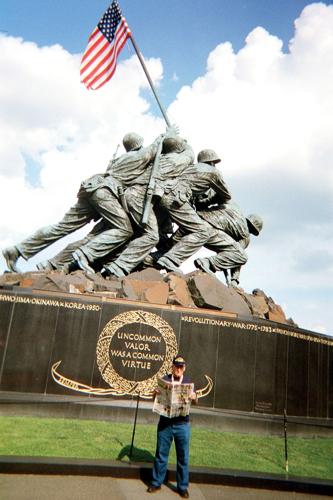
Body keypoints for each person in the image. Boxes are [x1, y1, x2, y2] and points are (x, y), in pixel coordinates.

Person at [148, 355, 197, 498]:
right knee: (161, 454)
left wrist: (194, 397)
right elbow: (154, 398)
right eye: (176, 366)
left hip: (182, 424)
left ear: (184, 368)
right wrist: (155, 393)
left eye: (181, 367)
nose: (178, 369)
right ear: (172, 367)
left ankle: (182, 487)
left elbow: (195, 401)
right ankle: (156, 483)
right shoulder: (165, 379)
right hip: (165, 424)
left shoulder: (188, 382)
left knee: (183, 457)